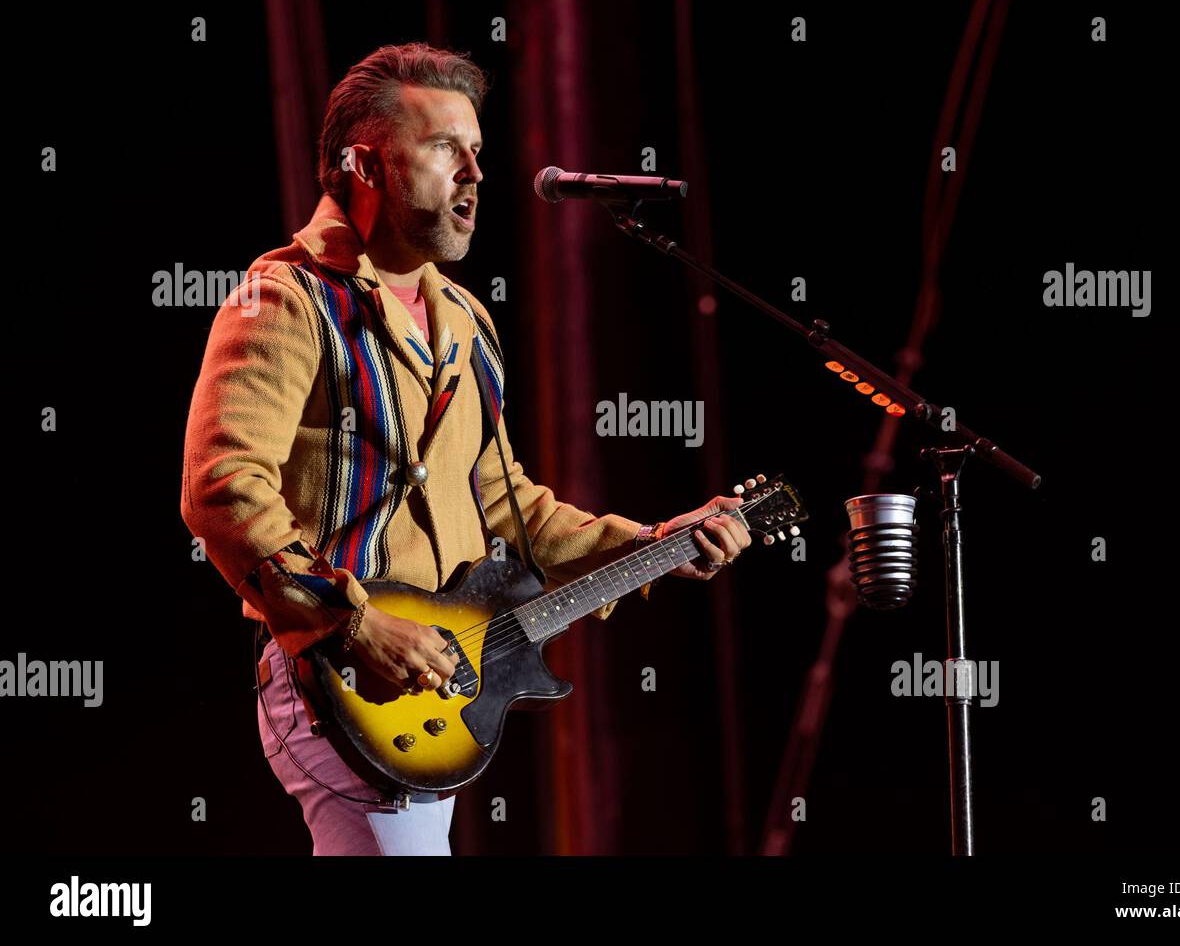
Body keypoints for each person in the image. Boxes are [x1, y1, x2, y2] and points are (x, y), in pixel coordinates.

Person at [179, 42, 751, 855]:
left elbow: (506, 503)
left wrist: (656, 545)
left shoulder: (467, 323)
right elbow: (221, 487)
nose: (475, 173)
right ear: (365, 164)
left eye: (478, 150)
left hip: (433, 701)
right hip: (337, 682)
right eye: (447, 148)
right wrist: (355, 623)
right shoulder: (282, 297)